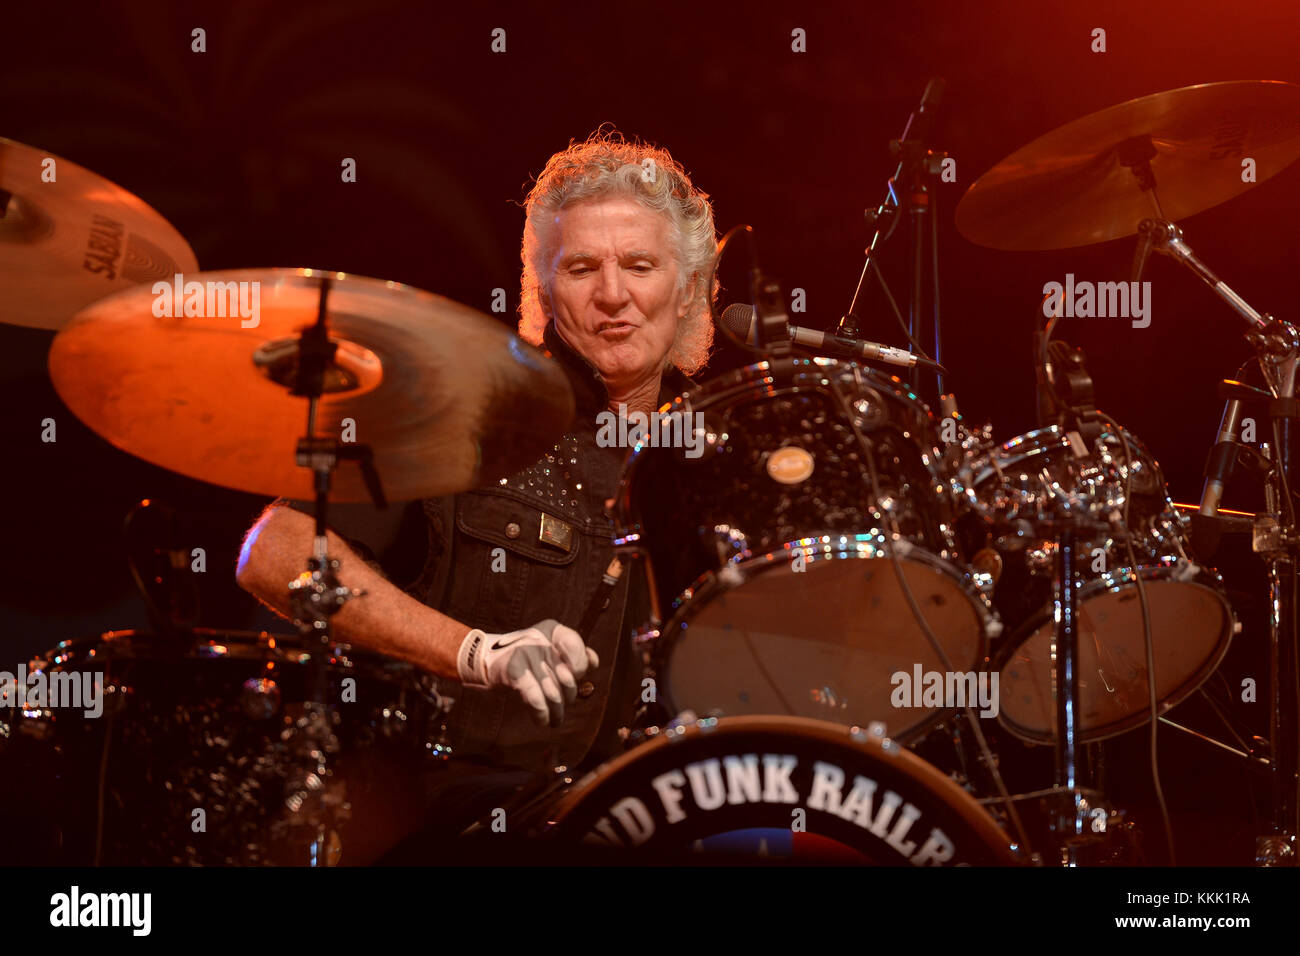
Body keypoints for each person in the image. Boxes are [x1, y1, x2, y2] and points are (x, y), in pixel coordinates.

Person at [235, 128, 719, 850]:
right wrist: (475, 654)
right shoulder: (470, 411)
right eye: (582, 267)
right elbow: (272, 552)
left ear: (687, 291)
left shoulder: (722, 459)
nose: (613, 294)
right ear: (544, 291)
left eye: (640, 266)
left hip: (656, 816)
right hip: (449, 815)